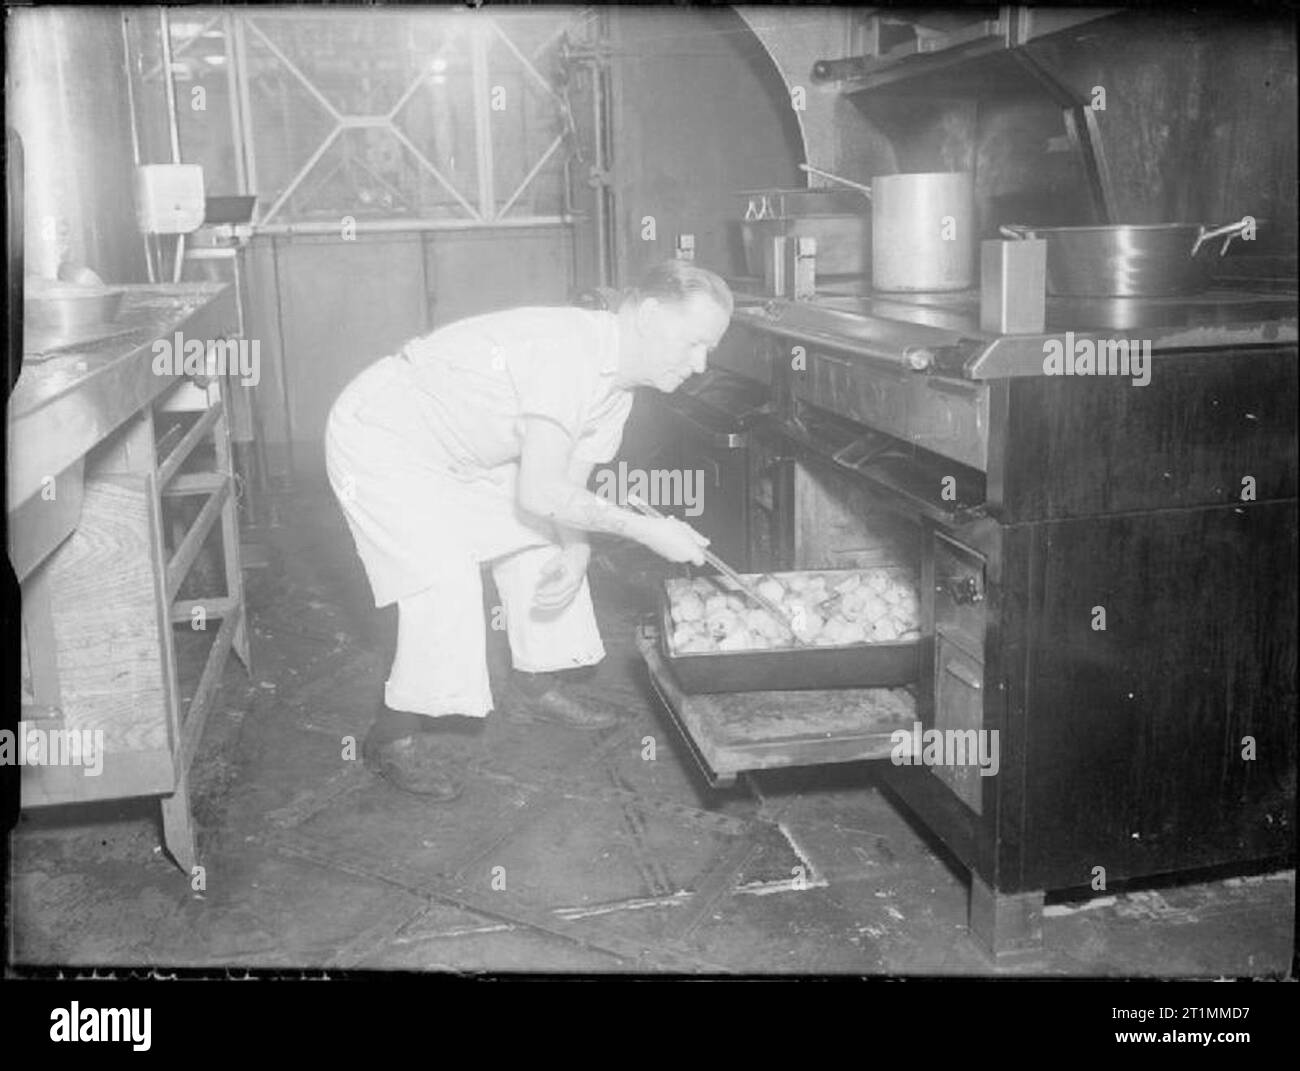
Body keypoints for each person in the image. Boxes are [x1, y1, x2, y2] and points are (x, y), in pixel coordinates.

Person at [325, 260, 733, 799]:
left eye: (709, 350)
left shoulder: (620, 391)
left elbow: (566, 490)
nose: (700, 364)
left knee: (546, 543)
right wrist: (644, 530)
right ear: (651, 314)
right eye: (693, 343)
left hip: (462, 448)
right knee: (443, 580)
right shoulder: (571, 352)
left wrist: (578, 549)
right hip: (384, 434)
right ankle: (390, 737)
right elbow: (541, 492)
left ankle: (537, 683)